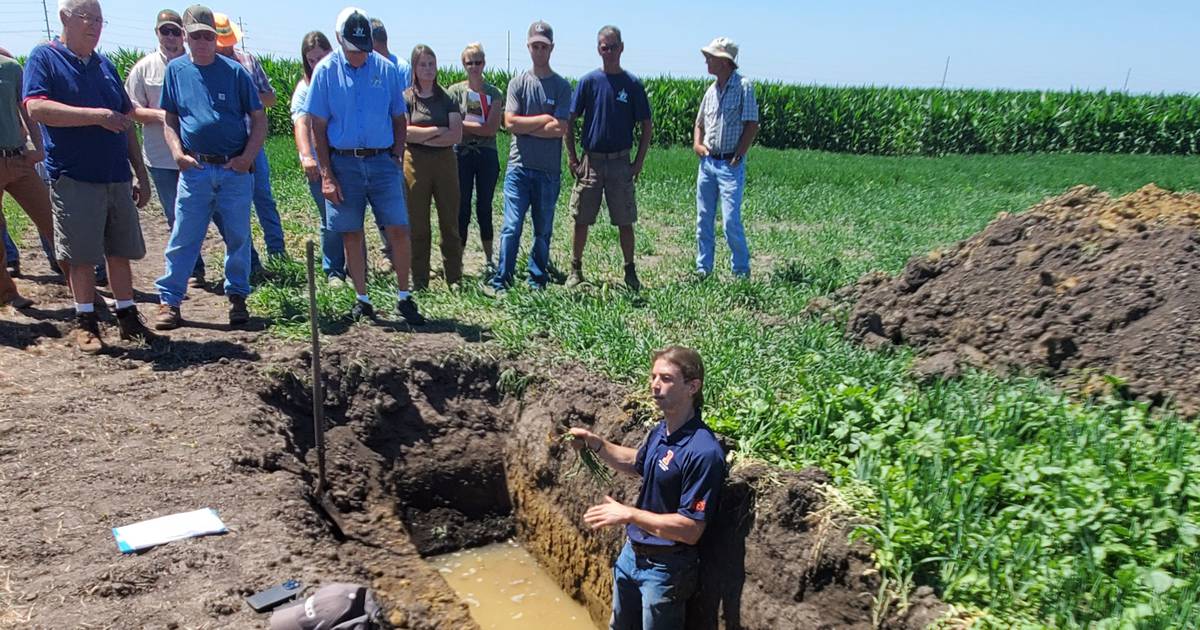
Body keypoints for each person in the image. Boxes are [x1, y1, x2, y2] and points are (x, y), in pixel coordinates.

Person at [24, 0, 156, 352]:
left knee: (119, 250)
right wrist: (95, 115)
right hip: (75, 176)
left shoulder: (105, 65)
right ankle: (86, 322)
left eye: (100, 20)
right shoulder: (45, 58)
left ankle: (128, 319)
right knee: (81, 254)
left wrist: (140, 172)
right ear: (65, 17)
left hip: (115, 175)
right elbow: (36, 108)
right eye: (88, 18)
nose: (95, 26)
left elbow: (126, 120)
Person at [567, 346, 725, 629]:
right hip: (632, 555)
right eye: (653, 377)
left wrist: (629, 515)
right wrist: (596, 443)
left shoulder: (703, 451)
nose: (654, 385)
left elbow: (690, 529)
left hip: (666, 569)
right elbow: (638, 461)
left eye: (665, 378)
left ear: (692, 386)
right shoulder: (660, 432)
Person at [302, 7, 425, 325]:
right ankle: (362, 299)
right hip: (344, 164)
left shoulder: (384, 69)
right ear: (341, 40)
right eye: (353, 50)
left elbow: (399, 117)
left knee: (398, 228)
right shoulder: (326, 71)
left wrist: (397, 156)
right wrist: (327, 175)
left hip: (382, 162)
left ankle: (404, 297)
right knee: (351, 233)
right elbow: (317, 124)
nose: (359, 56)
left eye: (364, 48)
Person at [152, 4, 266, 330]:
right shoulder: (176, 71)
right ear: (185, 38)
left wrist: (246, 158)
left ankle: (238, 298)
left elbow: (259, 119)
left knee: (238, 236)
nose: (202, 42)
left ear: (215, 38)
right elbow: (170, 118)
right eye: (196, 36)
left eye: (207, 36)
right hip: (196, 169)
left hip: (234, 169)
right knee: (184, 235)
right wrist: (177, 153)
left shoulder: (234, 72)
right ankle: (170, 301)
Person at [485, 20, 571, 294]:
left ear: (552, 48)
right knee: (511, 226)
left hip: (548, 171)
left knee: (543, 230)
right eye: (535, 45)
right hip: (519, 168)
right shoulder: (517, 84)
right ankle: (503, 279)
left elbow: (560, 129)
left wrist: (529, 125)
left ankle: (536, 279)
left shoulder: (561, 87)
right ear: (528, 47)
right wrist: (544, 118)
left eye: (543, 46)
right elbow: (509, 124)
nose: (539, 50)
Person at [565, 25, 652, 292]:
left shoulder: (632, 84)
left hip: (619, 162)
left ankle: (630, 271)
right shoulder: (588, 82)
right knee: (581, 219)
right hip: (591, 161)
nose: (610, 51)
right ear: (598, 49)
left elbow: (646, 125)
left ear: (622, 48)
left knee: (625, 220)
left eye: (614, 46)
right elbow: (569, 121)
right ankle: (575, 269)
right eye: (605, 47)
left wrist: (638, 162)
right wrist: (572, 158)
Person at [126, 9, 205, 286]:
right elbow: (131, 110)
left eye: (175, 31)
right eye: (165, 31)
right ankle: (194, 269)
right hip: (161, 157)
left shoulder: (196, 63)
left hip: (198, 153)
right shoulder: (143, 68)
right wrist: (163, 116)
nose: (170, 36)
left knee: (212, 210)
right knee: (176, 215)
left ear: (183, 33)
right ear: (157, 33)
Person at [213, 12, 287, 274]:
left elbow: (271, 98)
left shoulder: (248, 61)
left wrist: (248, 97)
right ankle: (249, 261)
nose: (227, 46)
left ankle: (278, 254)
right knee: (235, 206)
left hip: (254, 145)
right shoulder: (208, 68)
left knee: (264, 199)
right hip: (227, 150)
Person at [693, 37, 758, 280]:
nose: (706, 61)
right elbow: (699, 123)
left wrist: (739, 154)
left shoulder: (744, 87)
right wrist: (698, 145)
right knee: (704, 219)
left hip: (731, 164)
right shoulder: (710, 91)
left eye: (710, 57)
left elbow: (752, 124)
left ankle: (741, 271)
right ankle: (703, 268)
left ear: (724, 61)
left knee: (730, 221)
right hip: (708, 164)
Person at [291, 30, 349, 284]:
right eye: (311, 60)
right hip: (319, 164)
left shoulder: (343, 81)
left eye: (321, 57)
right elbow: (301, 124)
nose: (317, 64)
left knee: (351, 215)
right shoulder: (305, 88)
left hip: (347, 159)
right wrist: (307, 156)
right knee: (330, 217)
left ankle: (358, 269)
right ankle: (334, 270)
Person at [0, 46, 56, 306]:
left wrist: (39, 147)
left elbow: (27, 111)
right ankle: (8, 294)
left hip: (18, 159)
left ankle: (86, 292)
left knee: (52, 222)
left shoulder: (10, 68)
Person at [404, 44, 463, 290]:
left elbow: (456, 135)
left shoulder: (447, 98)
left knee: (449, 222)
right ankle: (419, 279)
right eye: (422, 65)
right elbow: (405, 133)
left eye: (431, 64)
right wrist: (437, 130)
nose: (428, 69)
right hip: (415, 163)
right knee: (418, 224)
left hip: (444, 164)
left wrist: (424, 135)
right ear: (414, 68)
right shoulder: (406, 98)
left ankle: (454, 277)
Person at [446, 42, 502, 276]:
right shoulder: (453, 91)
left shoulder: (494, 92)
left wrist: (463, 125)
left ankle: (489, 259)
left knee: (484, 207)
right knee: (462, 208)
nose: (474, 66)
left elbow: (491, 129)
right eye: (470, 63)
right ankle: (458, 260)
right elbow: (450, 126)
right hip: (461, 155)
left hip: (487, 156)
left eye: (478, 62)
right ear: (463, 64)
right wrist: (473, 126)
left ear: (484, 63)